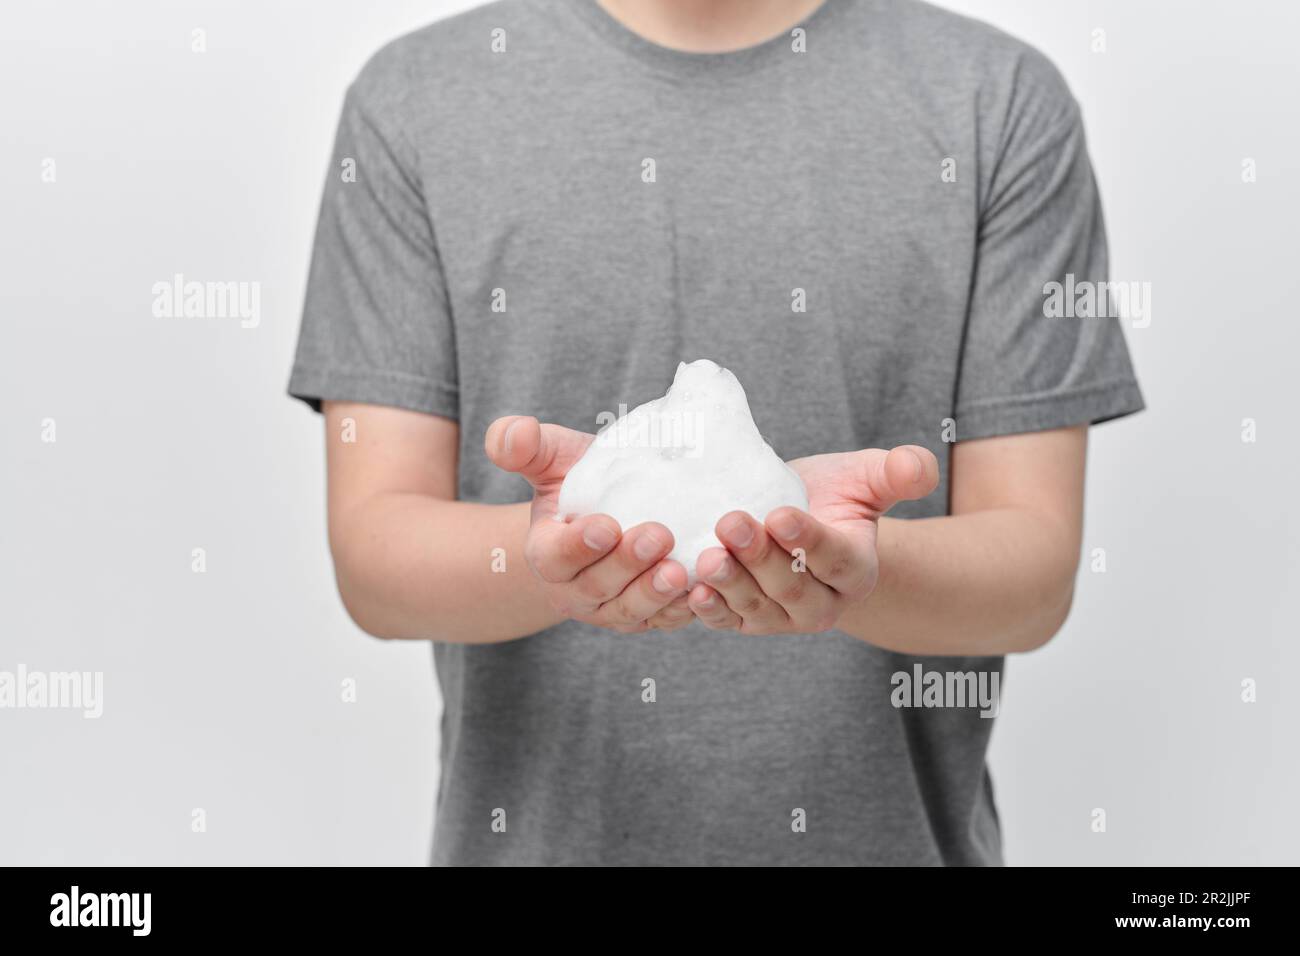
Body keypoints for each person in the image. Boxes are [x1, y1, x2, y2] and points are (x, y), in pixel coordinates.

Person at [289, 0, 1144, 865]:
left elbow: (1035, 575)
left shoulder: (997, 99)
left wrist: (855, 567)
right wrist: (554, 554)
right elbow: (375, 560)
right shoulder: (415, 98)